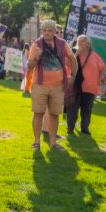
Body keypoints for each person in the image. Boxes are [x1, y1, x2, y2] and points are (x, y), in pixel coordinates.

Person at [27, 20, 75, 152]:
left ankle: (53, 143)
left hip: (58, 86)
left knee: (54, 114)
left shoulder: (62, 44)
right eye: (44, 30)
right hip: (40, 85)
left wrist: (73, 76)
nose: (46, 33)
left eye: (49, 30)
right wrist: (35, 58)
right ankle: (36, 142)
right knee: (38, 113)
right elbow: (30, 66)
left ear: (55, 31)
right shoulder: (36, 44)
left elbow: (72, 58)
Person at [66, 36, 106, 136]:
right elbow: (68, 64)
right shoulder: (73, 52)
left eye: (83, 41)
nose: (80, 43)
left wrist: (98, 79)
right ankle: (70, 128)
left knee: (87, 109)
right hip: (75, 86)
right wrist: (76, 54)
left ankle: (85, 128)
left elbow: (102, 67)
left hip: (90, 86)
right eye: (79, 41)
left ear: (88, 44)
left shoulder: (94, 55)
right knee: (72, 108)